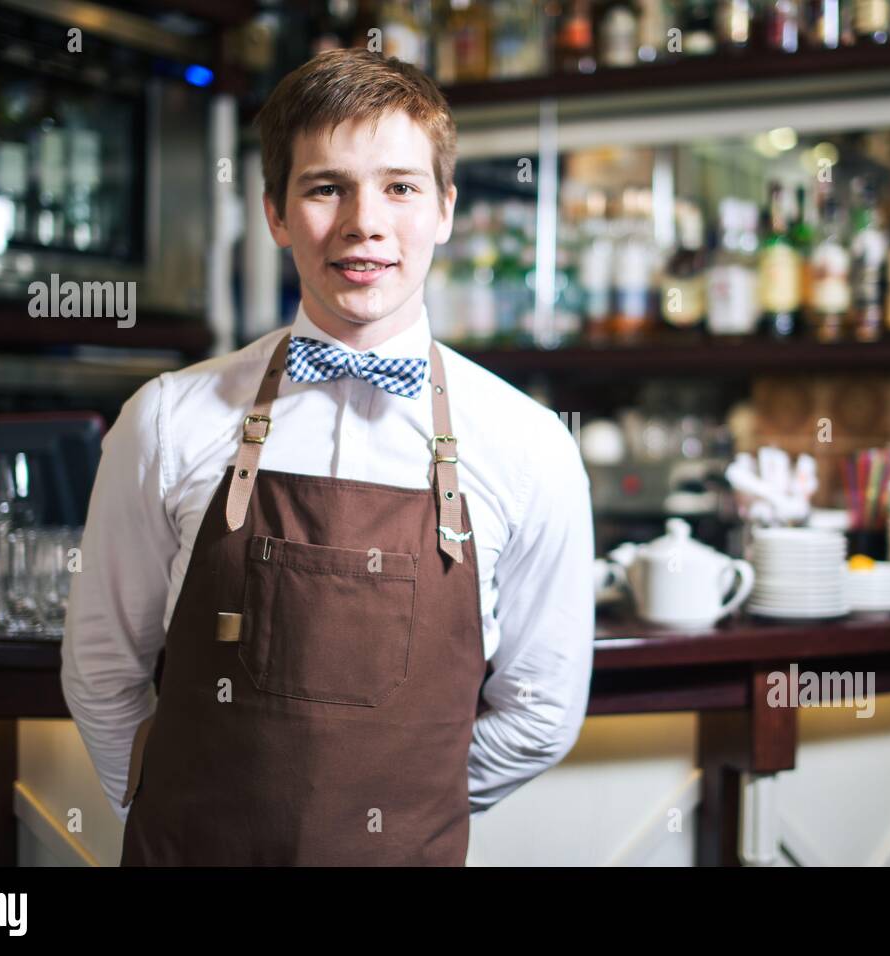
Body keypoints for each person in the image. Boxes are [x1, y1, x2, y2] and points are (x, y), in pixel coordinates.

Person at [60, 48, 595, 865]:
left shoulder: (530, 446)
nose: (364, 223)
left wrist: (398, 819)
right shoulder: (165, 420)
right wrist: (162, 804)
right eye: (325, 187)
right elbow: (102, 664)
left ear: (446, 209)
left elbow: (542, 711)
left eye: (400, 187)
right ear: (275, 212)